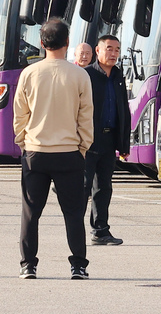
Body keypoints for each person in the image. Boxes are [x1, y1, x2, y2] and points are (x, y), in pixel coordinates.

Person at [14, 19, 94, 280]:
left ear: (41, 43)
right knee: (73, 212)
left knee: (31, 212)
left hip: (36, 151)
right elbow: (86, 116)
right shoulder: (80, 74)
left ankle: (28, 265)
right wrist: (83, 146)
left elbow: (20, 115)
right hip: (69, 152)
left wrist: (23, 143)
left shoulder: (29, 73)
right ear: (67, 42)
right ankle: (78, 265)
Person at [82, 35, 130, 246]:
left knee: (104, 187)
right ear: (97, 51)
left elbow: (123, 110)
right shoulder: (86, 75)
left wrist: (124, 144)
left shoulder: (119, 76)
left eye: (117, 50)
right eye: (109, 49)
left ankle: (101, 230)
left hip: (109, 139)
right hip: (88, 139)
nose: (113, 53)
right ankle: (75, 228)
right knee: (83, 186)